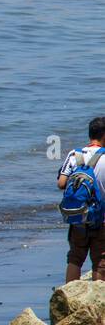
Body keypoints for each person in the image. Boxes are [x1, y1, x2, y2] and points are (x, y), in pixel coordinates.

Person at [57, 116, 105, 284]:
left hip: (78, 216)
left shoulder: (74, 154)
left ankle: (70, 298)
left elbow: (61, 183)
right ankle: (97, 303)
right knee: (100, 262)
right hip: (101, 219)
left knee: (75, 258)